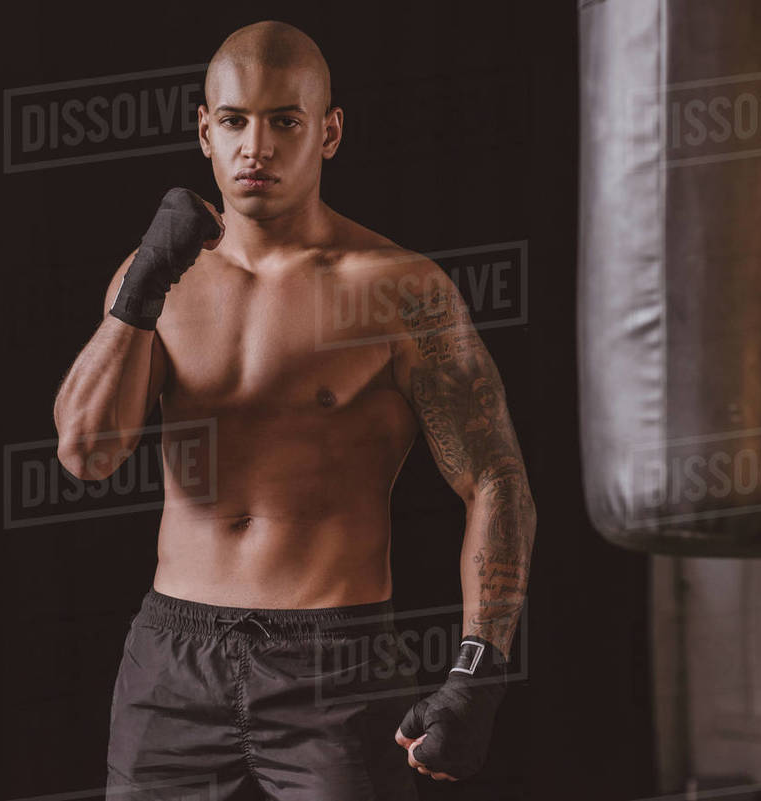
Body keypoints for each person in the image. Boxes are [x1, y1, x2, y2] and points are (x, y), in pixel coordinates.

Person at [52, 19, 535, 801]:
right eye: (235, 121)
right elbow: (86, 453)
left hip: (334, 663)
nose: (257, 147)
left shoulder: (400, 289)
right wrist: (141, 286)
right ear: (204, 132)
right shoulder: (157, 278)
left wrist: (479, 669)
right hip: (171, 658)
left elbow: (496, 479)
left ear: (329, 132)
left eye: (285, 121)